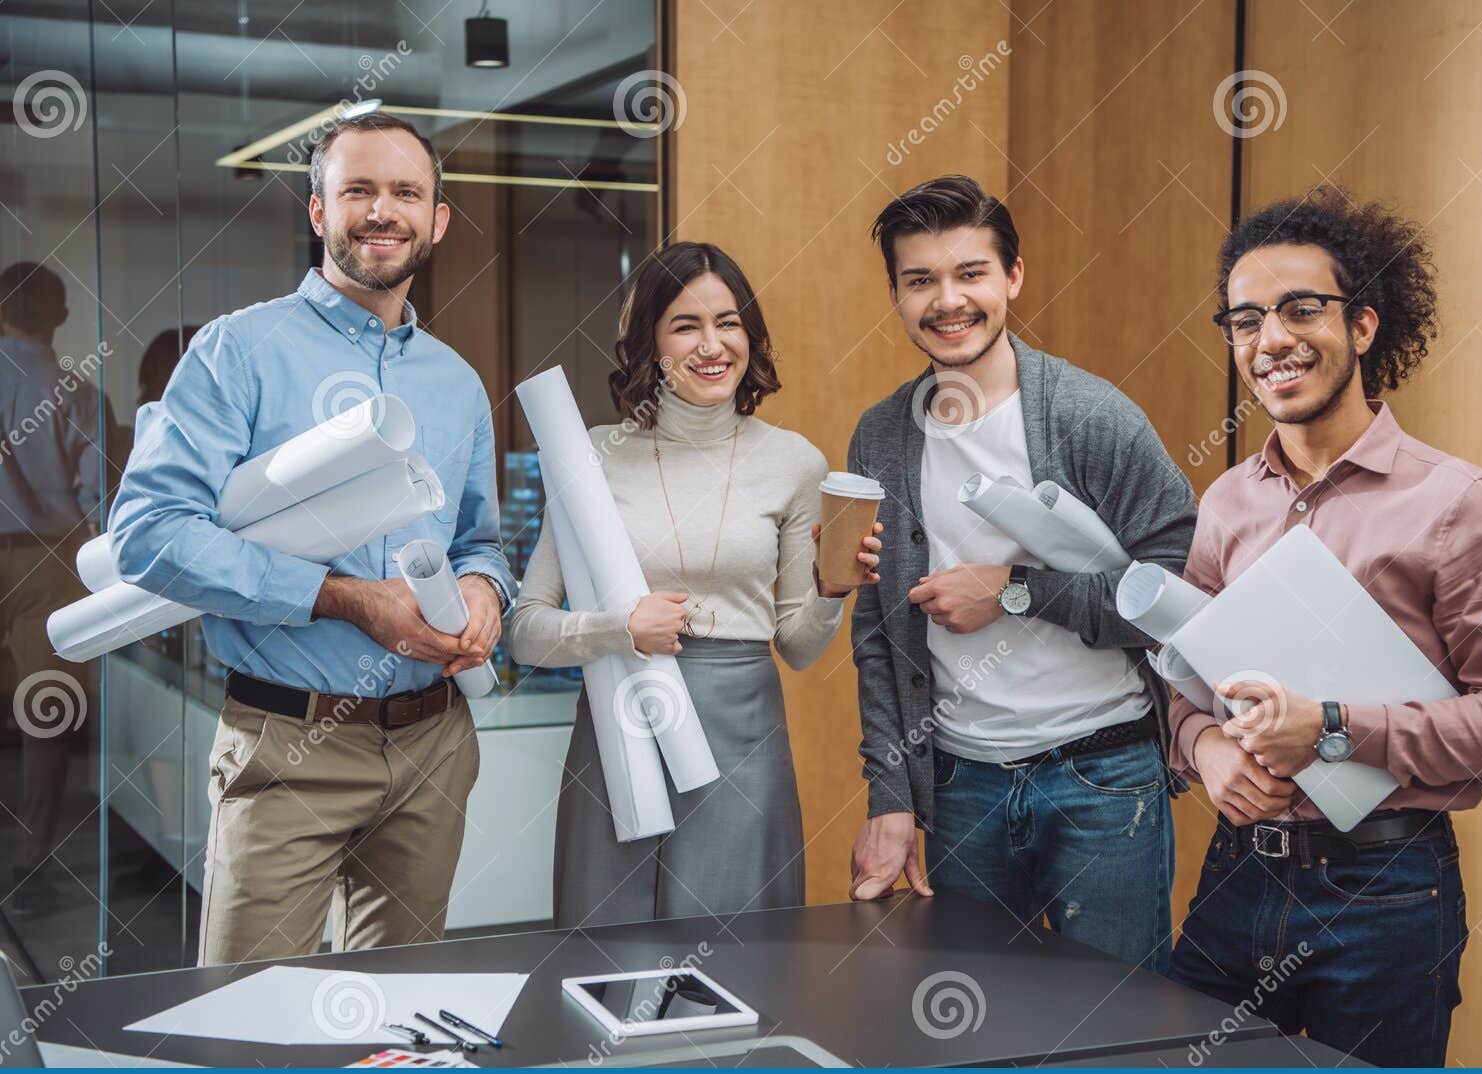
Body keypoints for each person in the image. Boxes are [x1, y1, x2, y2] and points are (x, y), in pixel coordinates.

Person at [1166, 187, 1482, 1066]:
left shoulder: (1456, 502)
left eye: (1301, 309)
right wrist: (1206, 751)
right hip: (1236, 876)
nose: (1271, 339)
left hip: (1386, 894)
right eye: (1245, 321)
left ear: (1364, 326)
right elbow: (1183, 682)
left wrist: (1338, 730)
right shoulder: (1227, 501)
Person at [109, 112, 514, 965]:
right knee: (247, 1028)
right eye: (358, 189)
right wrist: (346, 601)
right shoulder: (235, 353)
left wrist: (485, 592)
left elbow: (481, 540)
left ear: (436, 221)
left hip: (435, 744)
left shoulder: (457, 384)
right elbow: (148, 533)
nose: (383, 211)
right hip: (287, 744)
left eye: (406, 192)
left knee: (399, 1025)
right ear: (318, 211)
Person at [846, 176, 1196, 972]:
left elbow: (1173, 598)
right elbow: (877, 636)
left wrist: (1012, 591)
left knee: (1112, 1043)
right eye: (920, 280)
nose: (947, 300)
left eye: (970, 273)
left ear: (1014, 278)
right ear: (896, 296)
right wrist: (893, 797)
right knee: (976, 1041)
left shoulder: (1092, 417)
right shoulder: (880, 437)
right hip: (962, 784)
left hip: (1102, 778)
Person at [507, 241, 881, 928]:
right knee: (607, 952)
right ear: (649, 341)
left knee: (735, 961)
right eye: (685, 325)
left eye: (729, 323)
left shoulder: (795, 463)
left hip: (743, 737)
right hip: (617, 724)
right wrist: (618, 629)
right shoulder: (593, 455)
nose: (712, 345)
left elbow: (796, 648)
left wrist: (835, 589)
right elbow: (524, 630)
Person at [0, 260, 99, 917]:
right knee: (45, 712)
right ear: (59, 318)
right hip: (47, 559)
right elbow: (97, 493)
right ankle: (30, 855)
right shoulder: (75, 388)